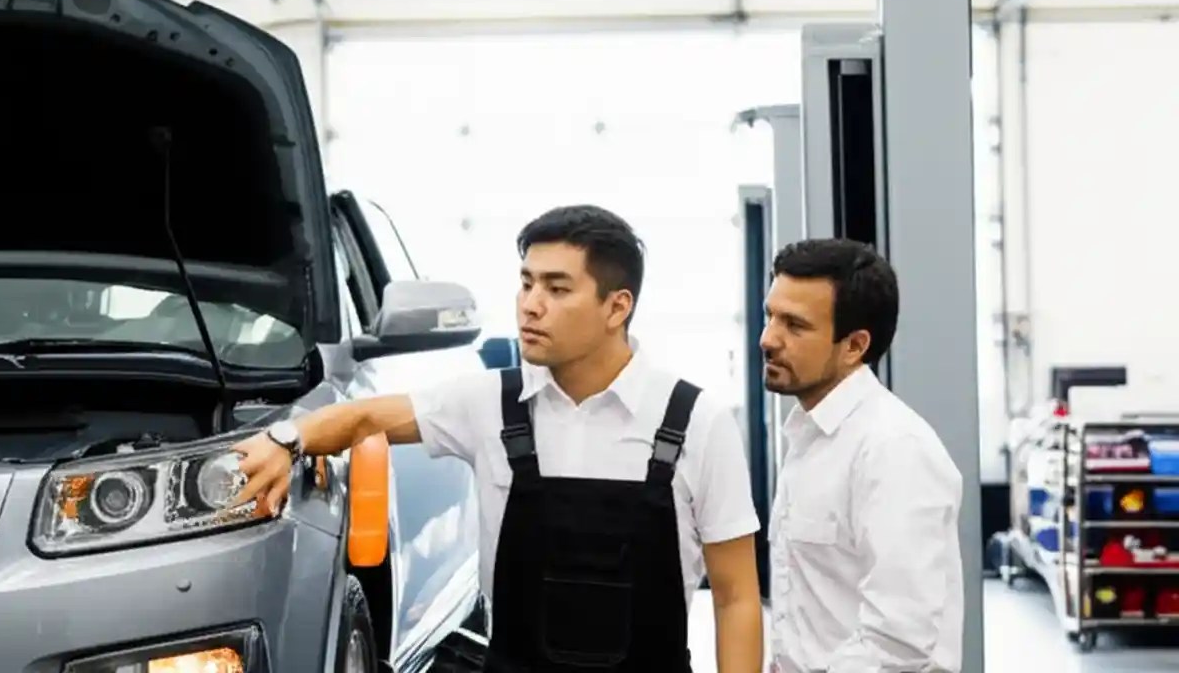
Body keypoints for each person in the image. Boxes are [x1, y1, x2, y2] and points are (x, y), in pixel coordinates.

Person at [232, 204, 765, 672]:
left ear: (616, 307)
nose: (530, 304)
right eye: (526, 282)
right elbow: (365, 417)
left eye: (557, 289)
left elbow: (737, 596)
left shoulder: (696, 422)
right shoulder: (490, 404)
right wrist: (286, 438)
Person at [760, 238, 964, 673]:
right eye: (770, 316)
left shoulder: (893, 449)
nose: (768, 339)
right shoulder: (808, 436)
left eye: (794, 326)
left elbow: (900, 639)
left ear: (854, 346)